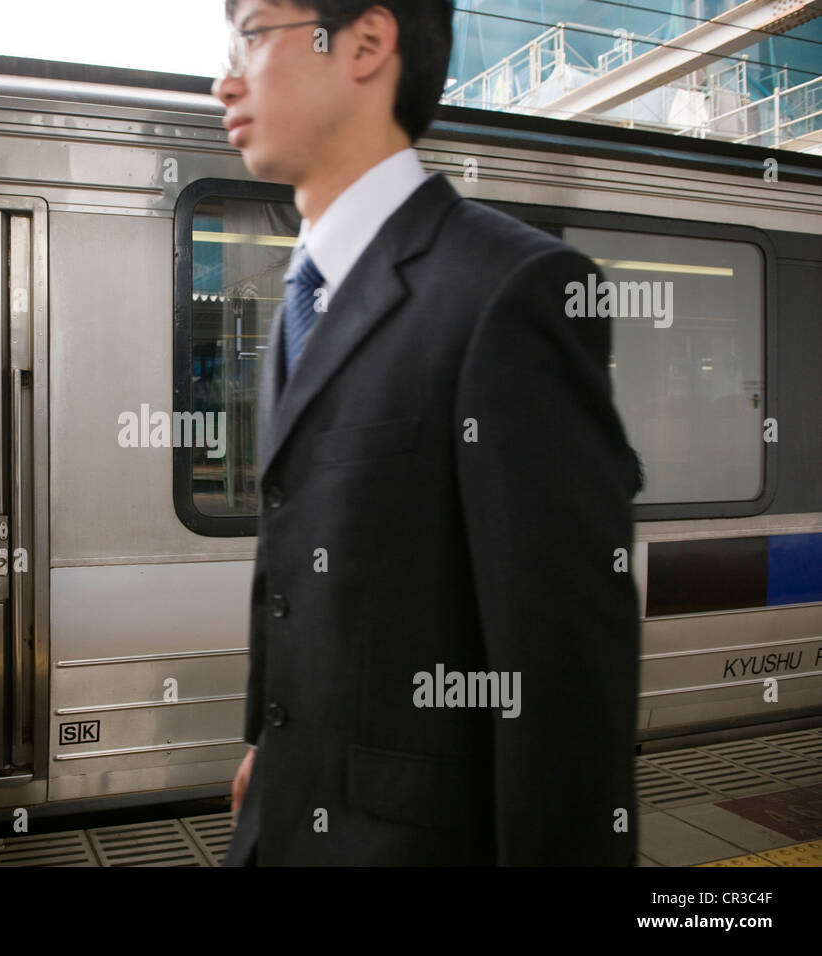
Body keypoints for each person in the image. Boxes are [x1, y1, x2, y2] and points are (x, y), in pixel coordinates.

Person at [214, 0, 641, 865]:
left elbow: (564, 684)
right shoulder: (303, 296)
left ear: (366, 42)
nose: (225, 78)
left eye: (254, 33)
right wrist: (270, 742)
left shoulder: (510, 290)